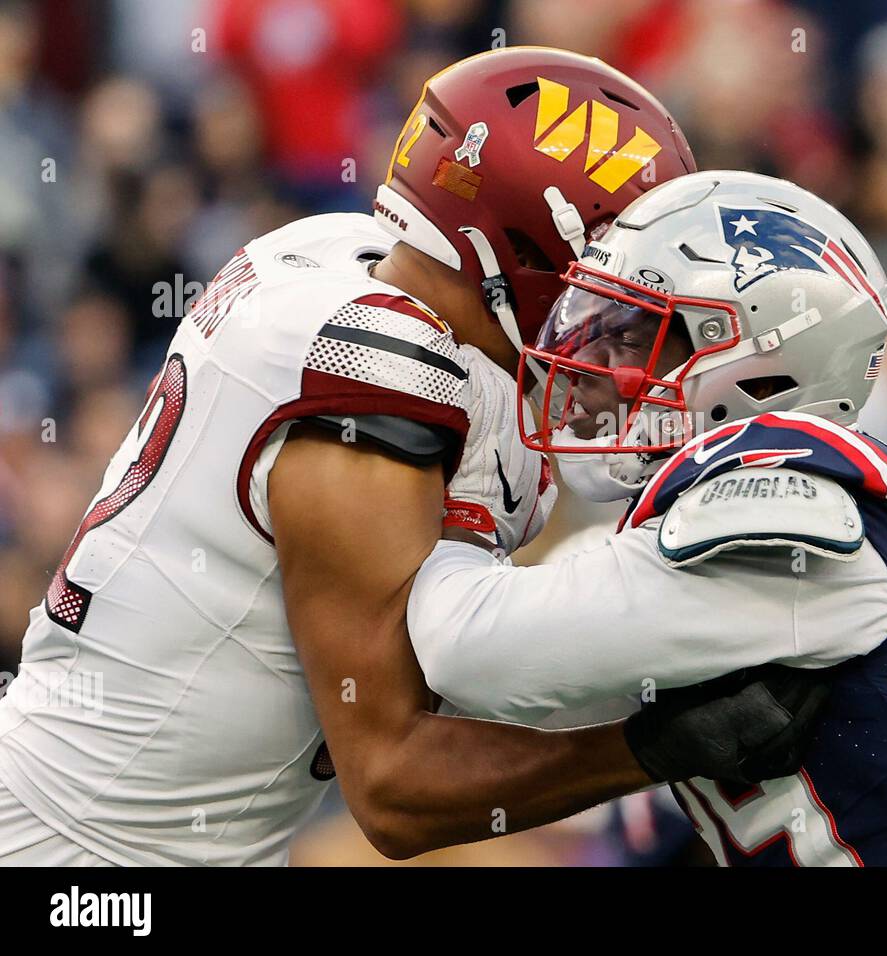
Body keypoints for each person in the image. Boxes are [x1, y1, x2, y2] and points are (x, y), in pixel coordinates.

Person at [0, 49, 827, 866]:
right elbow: (394, 787)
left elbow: (471, 636)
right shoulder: (381, 372)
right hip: (80, 855)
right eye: (621, 269)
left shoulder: (365, 267)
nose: (630, 315)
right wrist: (654, 746)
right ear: (527, 253)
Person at [408, 170, 887, 866]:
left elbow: (464, 648)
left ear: (758, 363)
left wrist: (462, 500)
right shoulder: (717, 523)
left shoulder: (779, 474)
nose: (590, 365)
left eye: (629, 336)